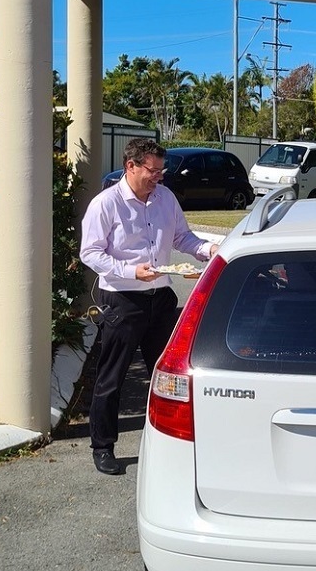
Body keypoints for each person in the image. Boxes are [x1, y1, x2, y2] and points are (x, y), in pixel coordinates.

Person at [80, 138, 219, 475]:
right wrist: (131, 271)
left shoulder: (165, 198)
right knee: (112, 377)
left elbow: (182, 238)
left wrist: (208, 249)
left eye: (161, 170)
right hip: (123, 301)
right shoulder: (106, 204)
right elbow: (90, 252)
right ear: (131, 166)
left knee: (171, 377)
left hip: (162, 299)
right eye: (152, 170)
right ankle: (103, 447)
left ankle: (171, 445)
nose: (159, 177)